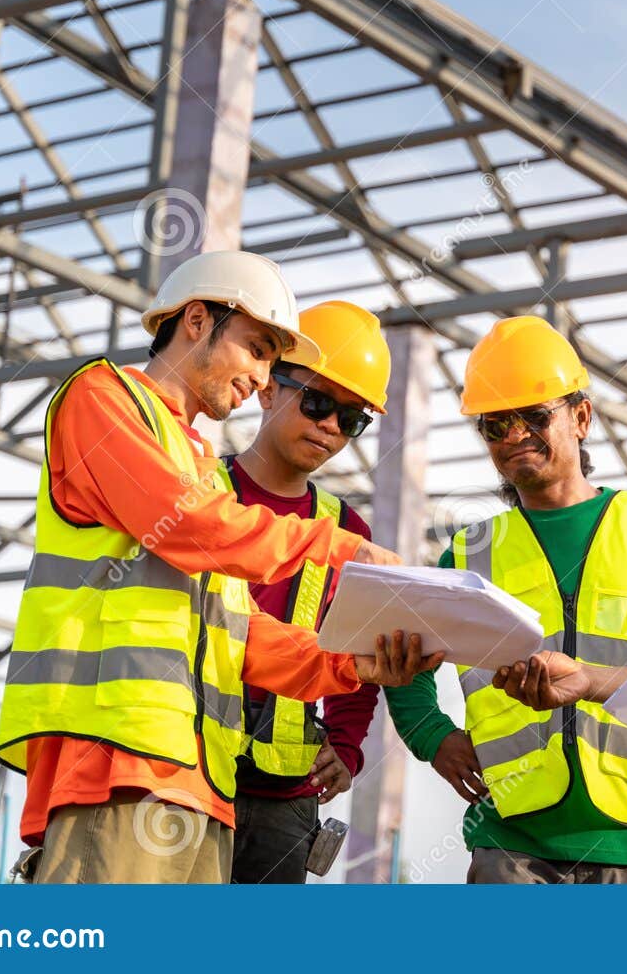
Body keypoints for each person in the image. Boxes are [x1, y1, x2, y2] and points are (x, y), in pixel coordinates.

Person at [0, 250, 439, 884]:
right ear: (197, 320)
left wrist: (351, 667)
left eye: (269, 360)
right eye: (257, 350)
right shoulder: (103, 399)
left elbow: (239, 635)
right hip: (115, 769)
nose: (261, 377)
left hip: (203, 786)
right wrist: (336, 545)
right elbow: (187, 524)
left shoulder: (200, 468)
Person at [384, 315, 627, 884]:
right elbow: (402, 655)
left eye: (534, 416)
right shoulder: (471, 552)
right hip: (511, 847)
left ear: (581, 417)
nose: (514, 436)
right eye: (495, 425)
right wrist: (432, 736)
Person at [221, 300, 391, 884]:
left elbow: (359, 654)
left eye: (352, 419)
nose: (331, 427)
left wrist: (346, 745)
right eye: (317, 403)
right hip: (187, 775)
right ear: (268, 387)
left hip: (286, 795)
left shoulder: (350, 532)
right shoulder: (202, 494)